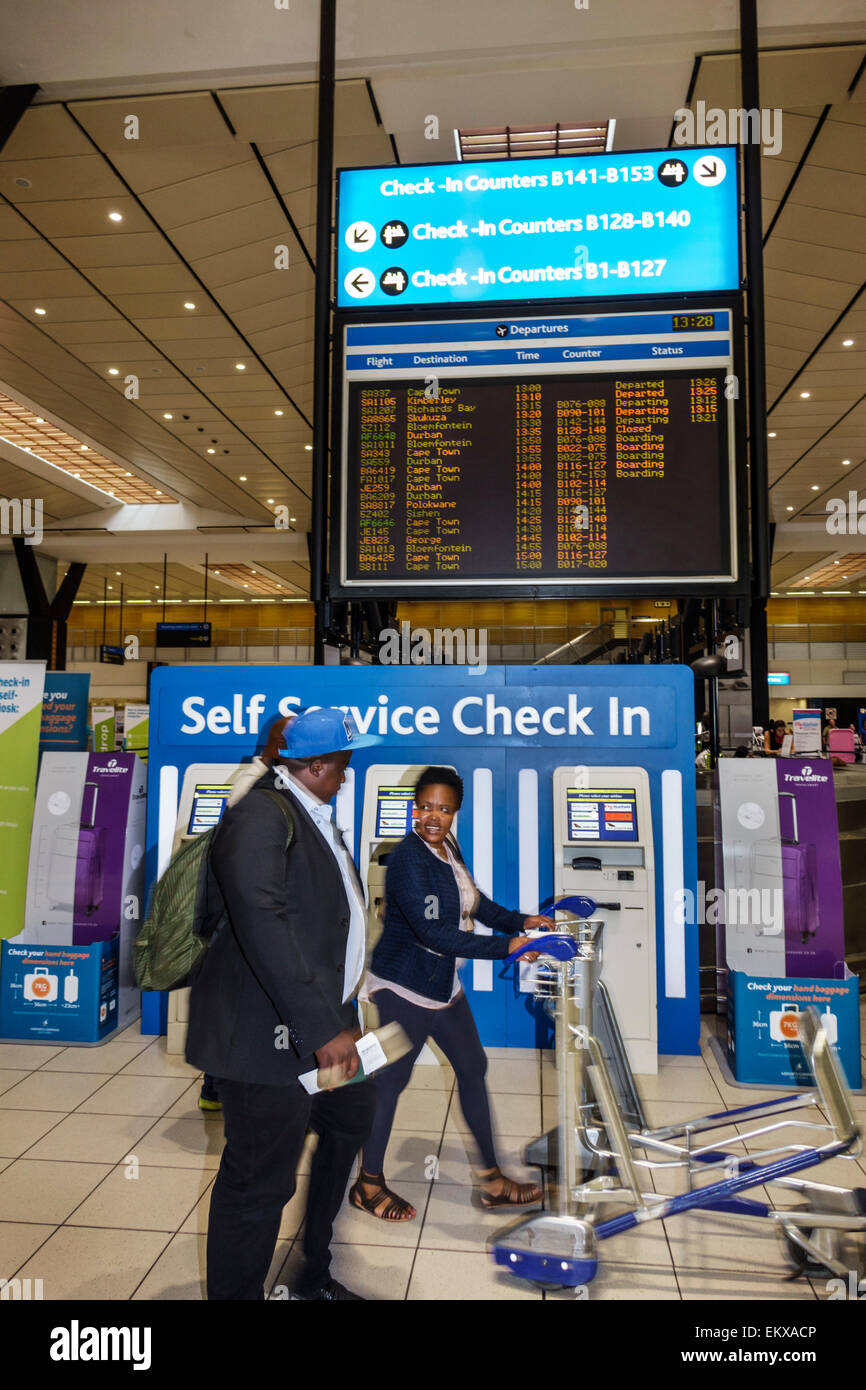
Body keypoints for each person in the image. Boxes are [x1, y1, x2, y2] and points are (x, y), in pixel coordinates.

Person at [186, 706, 380, 1300]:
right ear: (317, 765)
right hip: (270, 1033)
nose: (348, 775)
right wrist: (324, 1026)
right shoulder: (260, 819)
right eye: (343, 765)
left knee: (350, 1120)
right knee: (258, 1180)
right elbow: (263, 924)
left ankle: (309, 1275)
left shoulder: (311, 811)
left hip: (328, 1014)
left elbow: (326, 910)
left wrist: (347, 1001)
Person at [350, 765, 550, 1222]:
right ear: (413, 807)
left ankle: (493, 1182)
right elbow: (433, 932)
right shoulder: (407, 859)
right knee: (389, 1084)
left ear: (455, 812)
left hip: (442, 986)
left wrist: (520, 923)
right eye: (426, 807)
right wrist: (507, 946)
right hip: (402, 989)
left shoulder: (446, 848)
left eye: (444, 809)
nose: (434, 817)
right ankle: (368, 1183)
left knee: (472, 1066)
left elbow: (473, 901)